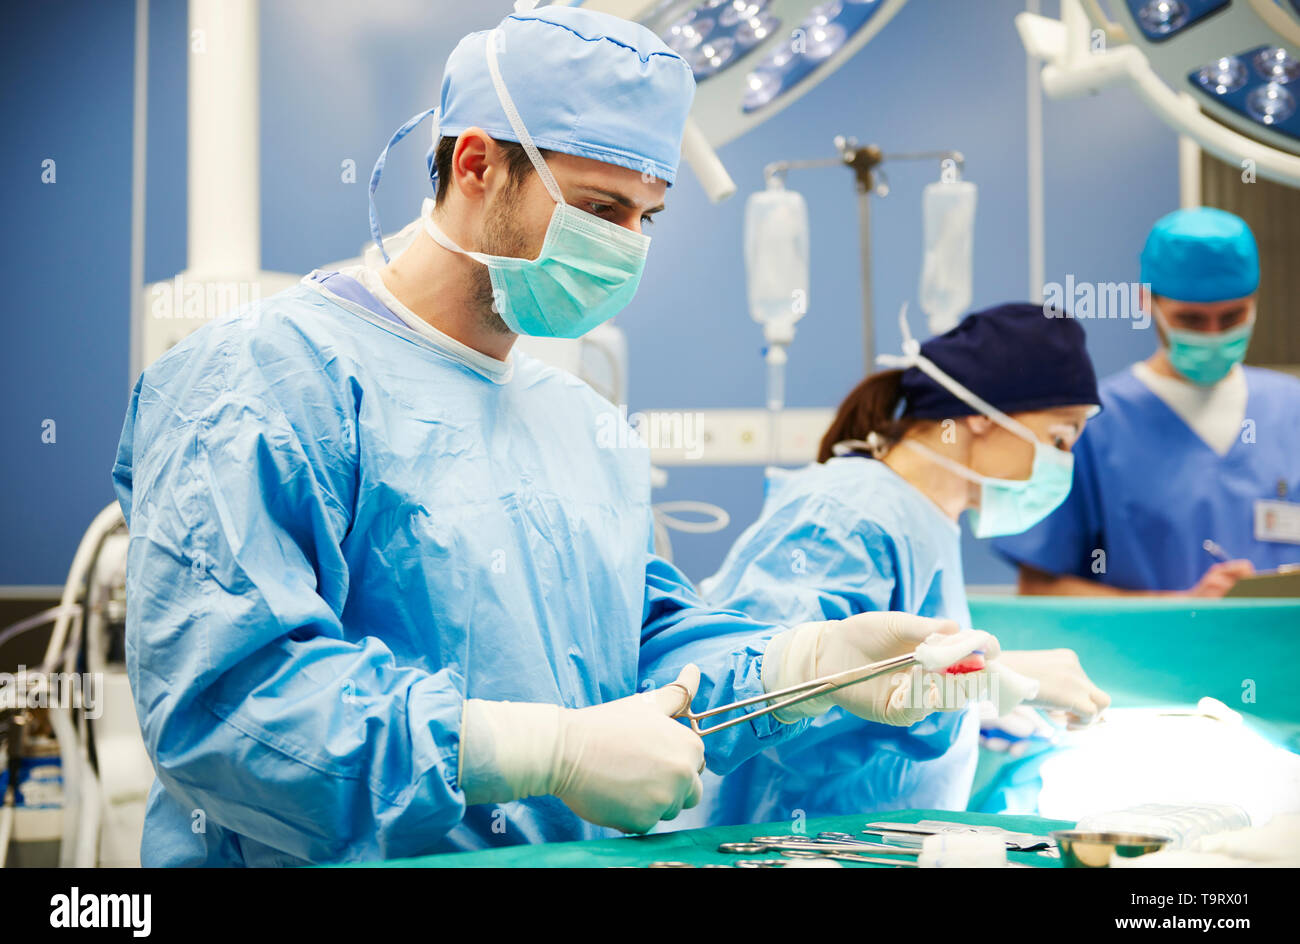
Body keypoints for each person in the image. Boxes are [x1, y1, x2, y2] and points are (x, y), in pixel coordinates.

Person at [112, 7, 981, 866]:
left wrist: (809, 661)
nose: (629, 246)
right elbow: (225, 704)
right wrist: (534, 751)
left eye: (650, 216)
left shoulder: (584, 426)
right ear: (478, 163)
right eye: (603, 208)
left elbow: (636, 647)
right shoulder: (261, 380)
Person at [672, 303, 1111, 827]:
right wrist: (984, 679)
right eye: (1060, 438)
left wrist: (975, 707)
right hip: (784, 839)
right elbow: (752, 702)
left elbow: (882, 689)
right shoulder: (848, 515)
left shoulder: (921, 518)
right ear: (981, 416)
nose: (1065, 461)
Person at [996, 208, 1300, 595]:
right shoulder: (1093, 424)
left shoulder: (1291, 408)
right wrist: (1183, 608)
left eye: (1231, 317)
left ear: (1254, 302)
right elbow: (1040, 587)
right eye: (1191, 319)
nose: (1213, 334)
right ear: (1147, 302)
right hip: (1149, 654)